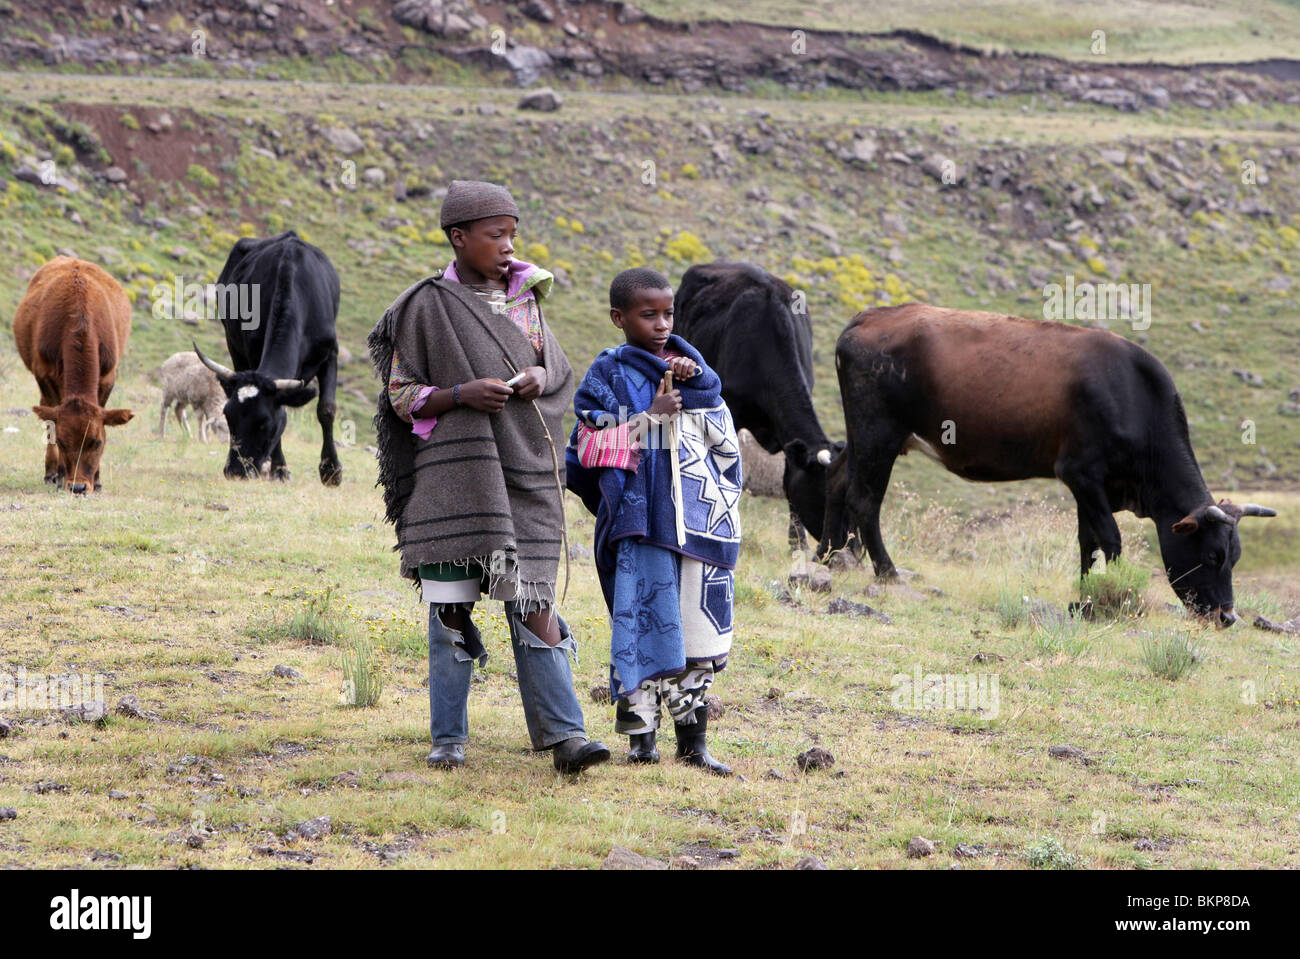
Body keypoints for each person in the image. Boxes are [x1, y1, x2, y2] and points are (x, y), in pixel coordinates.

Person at [367, 179, 609, 774]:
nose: (507, 246)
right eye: (496, 235)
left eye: (512, 234)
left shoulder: (526, 297)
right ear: (459, 237)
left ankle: (566, 738)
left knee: (530, 598)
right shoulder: (425, 306)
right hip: (454, 481)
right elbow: (400, 395)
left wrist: (538, 376)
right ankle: (447, 739)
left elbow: (561, 368)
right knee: (451, 604)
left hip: (524, 472)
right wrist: (457, 394)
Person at [565, 267, 743, 775]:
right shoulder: (608, 375)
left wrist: (696, 390)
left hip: (700, 528)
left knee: (697, 632)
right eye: (649, 315)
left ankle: (695, 743)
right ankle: (642, 741)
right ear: (619, 318)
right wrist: (652, 415)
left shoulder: (698, 372)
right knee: (643, 625)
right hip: (641, 527)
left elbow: (722, 440)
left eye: (668, 313)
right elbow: (589, 448)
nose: (662, 324)